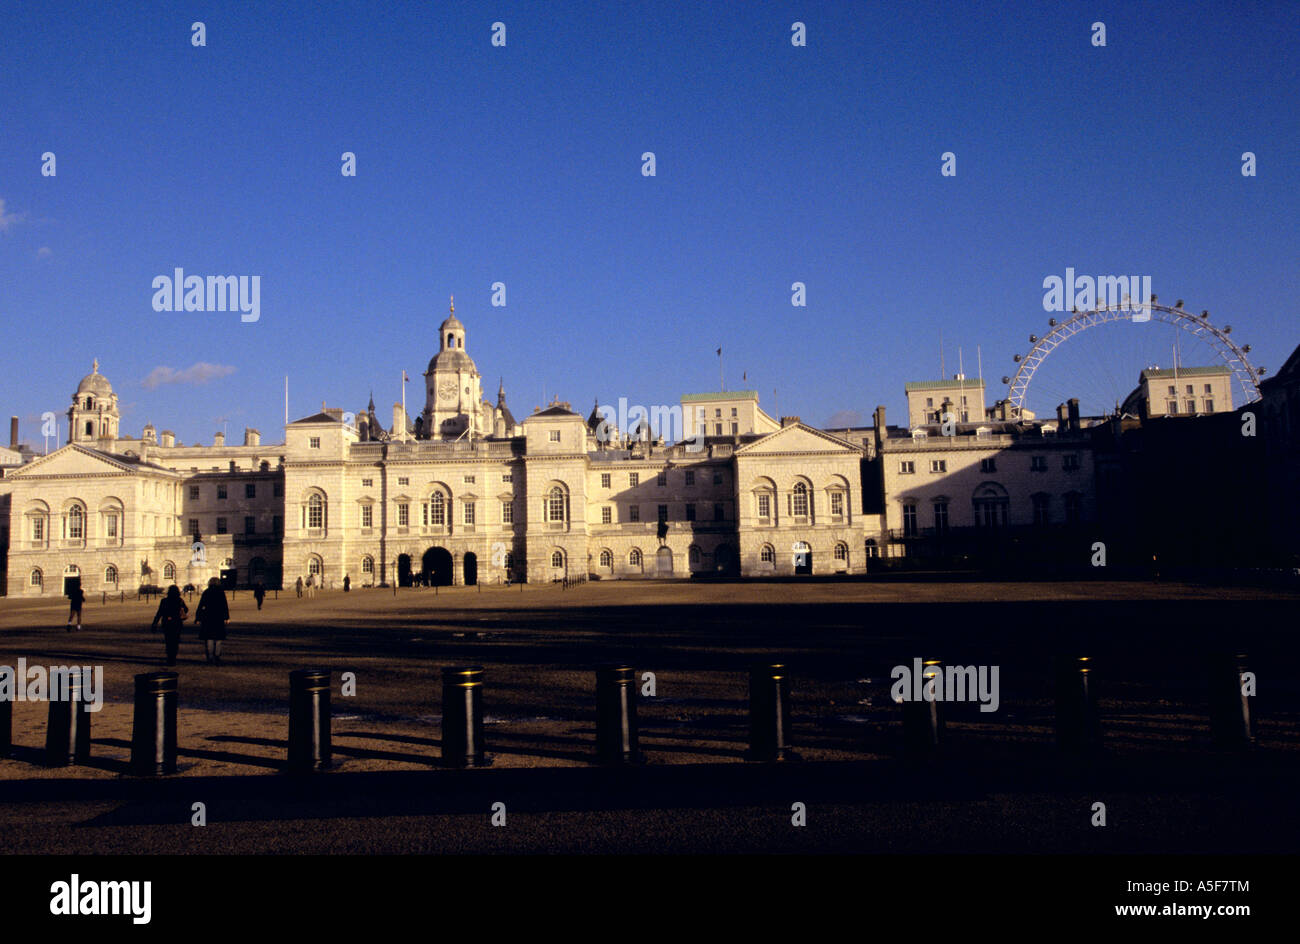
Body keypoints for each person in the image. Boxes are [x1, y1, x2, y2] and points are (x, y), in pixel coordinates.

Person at [194, 576, 230, 664]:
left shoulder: (206, 592)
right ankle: (217, 655)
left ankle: (210, 657)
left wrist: (198, 617)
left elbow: (201, 605)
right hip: (219, 617)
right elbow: (224, 606)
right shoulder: (221, 592)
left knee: (209, 638)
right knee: (218, 638)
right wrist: (227, 617)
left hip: (208, 617)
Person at [151, 585, 189, 666]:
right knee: (175, 641)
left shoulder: (164, 601)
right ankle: (173, 658)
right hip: (177, 622)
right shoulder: (179, 600)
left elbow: (159, 613)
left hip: (167, 622)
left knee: (168, 641)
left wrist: (154, 623)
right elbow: (186, 609)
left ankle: (169, 658)